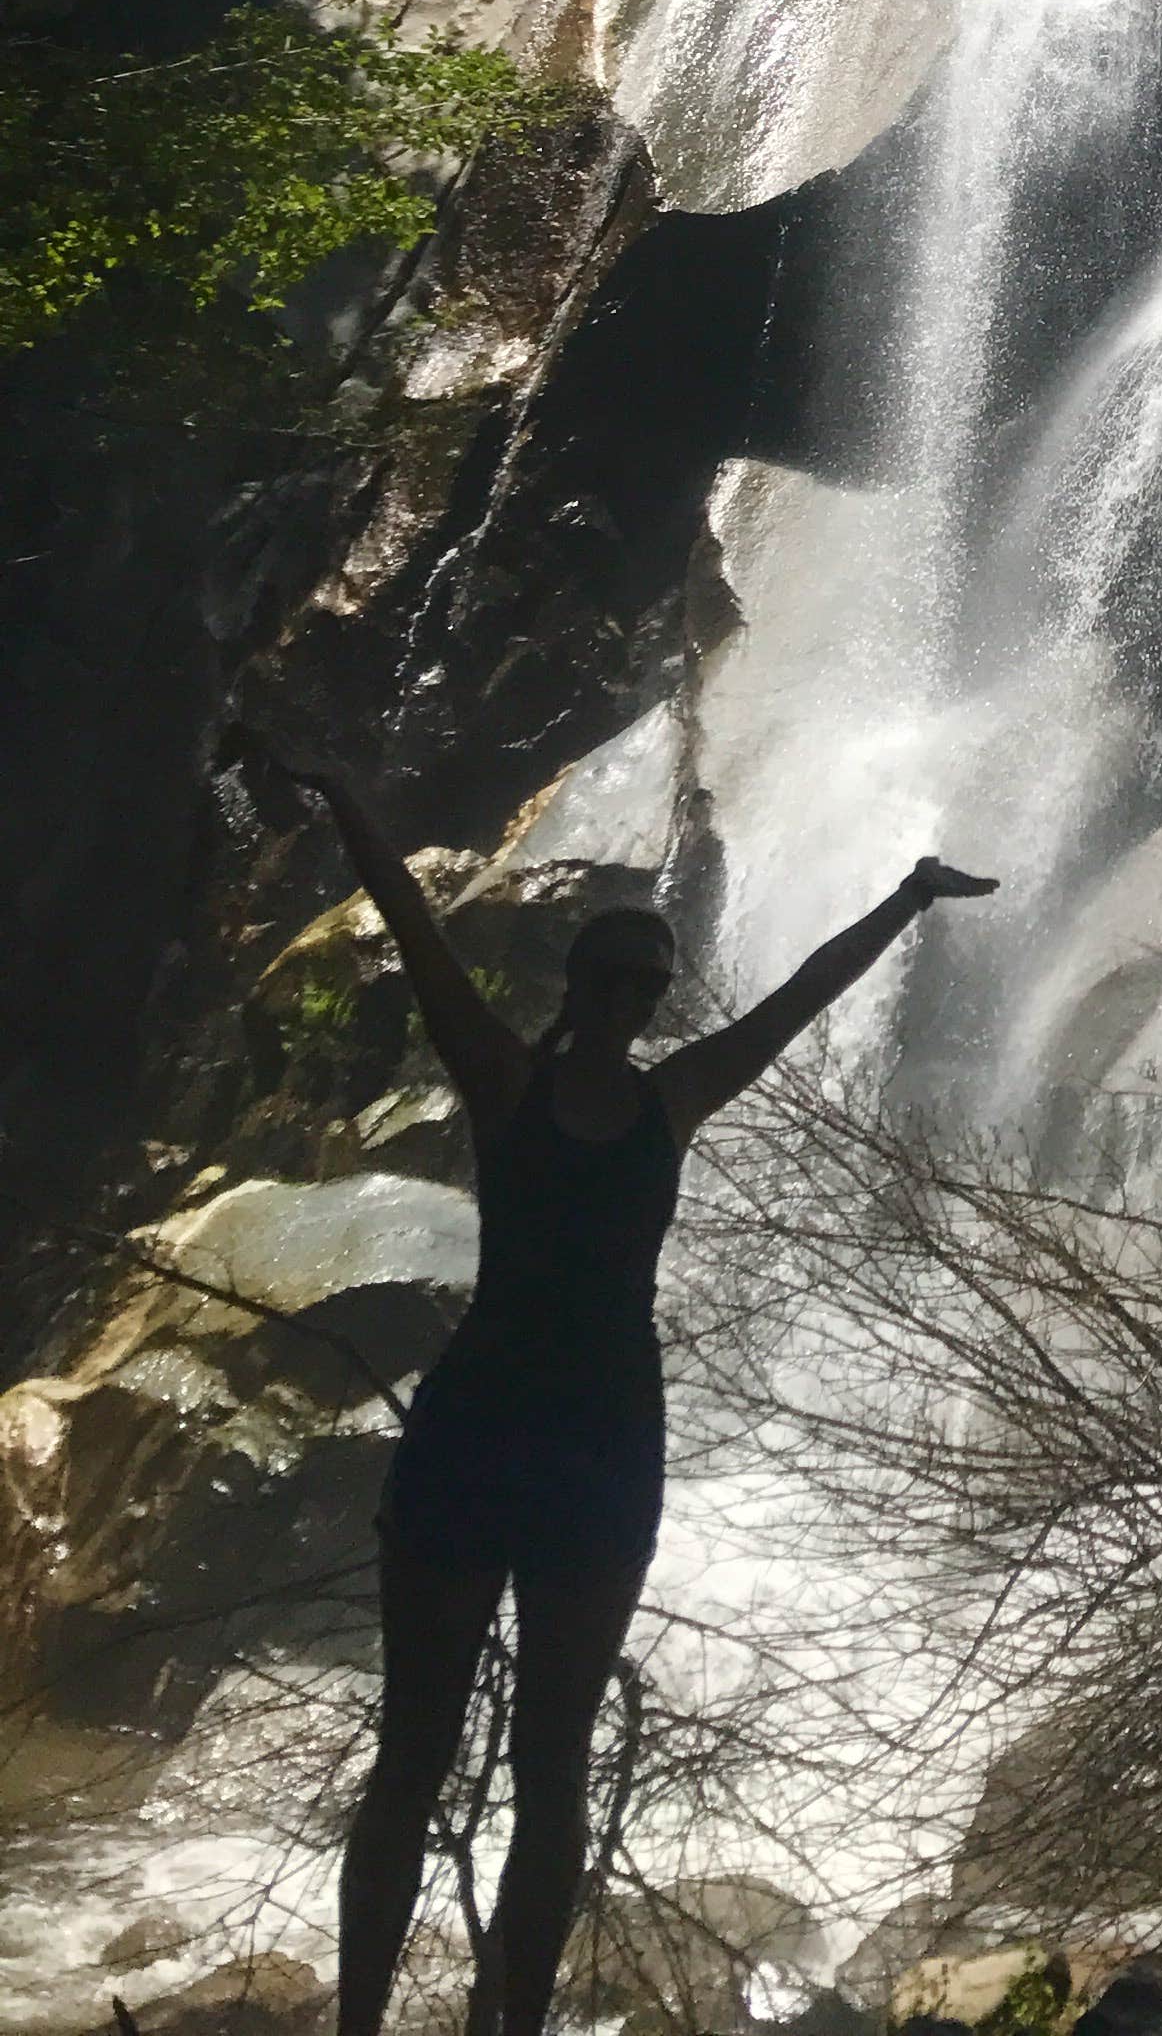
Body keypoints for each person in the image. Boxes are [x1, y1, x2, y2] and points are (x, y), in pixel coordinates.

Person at [236, 737, 994, 2036]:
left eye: (651, 985)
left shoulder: (674, 1095)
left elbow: (799, 999)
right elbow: (418, 938)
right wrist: (352, 798)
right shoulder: (507, 1081)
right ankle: (360, 2025)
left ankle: (510, 2026)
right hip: (494, 1434)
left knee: (552, 1768)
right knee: (413, 1756)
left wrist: (907, 900)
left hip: (591, 1450)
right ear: (579, 983)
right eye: (620, 979)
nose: (636, 1002)